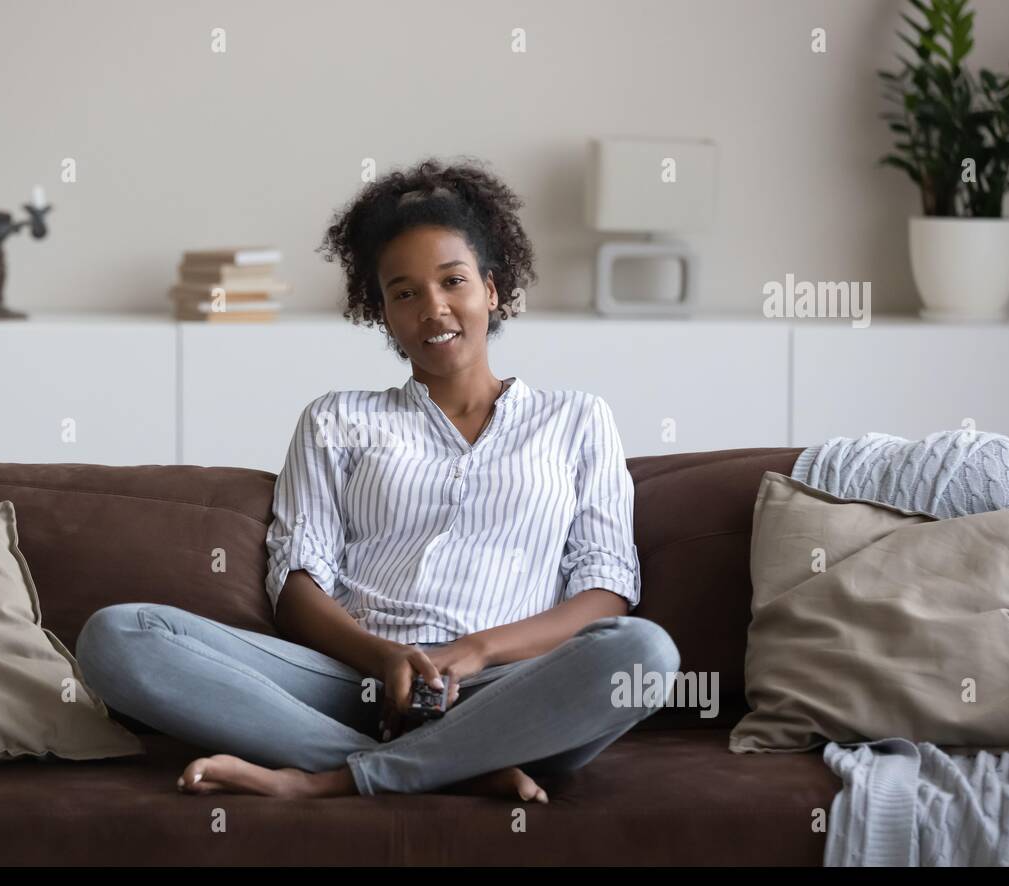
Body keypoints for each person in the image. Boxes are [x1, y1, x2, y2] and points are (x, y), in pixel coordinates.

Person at [76, 157, 680, 802]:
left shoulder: (578, 418)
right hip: (349, 684)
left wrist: (475, 651)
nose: (434, 308)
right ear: (383, 313)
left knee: (645, 654)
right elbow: (297, 578)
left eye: (454, 281)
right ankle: (455, 766)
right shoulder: (336, 418)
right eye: (405, 292)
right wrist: (383, 658)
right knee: (117, 636)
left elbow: (607, 586)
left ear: (492, 290)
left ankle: (336, 779)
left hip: (511, 687)